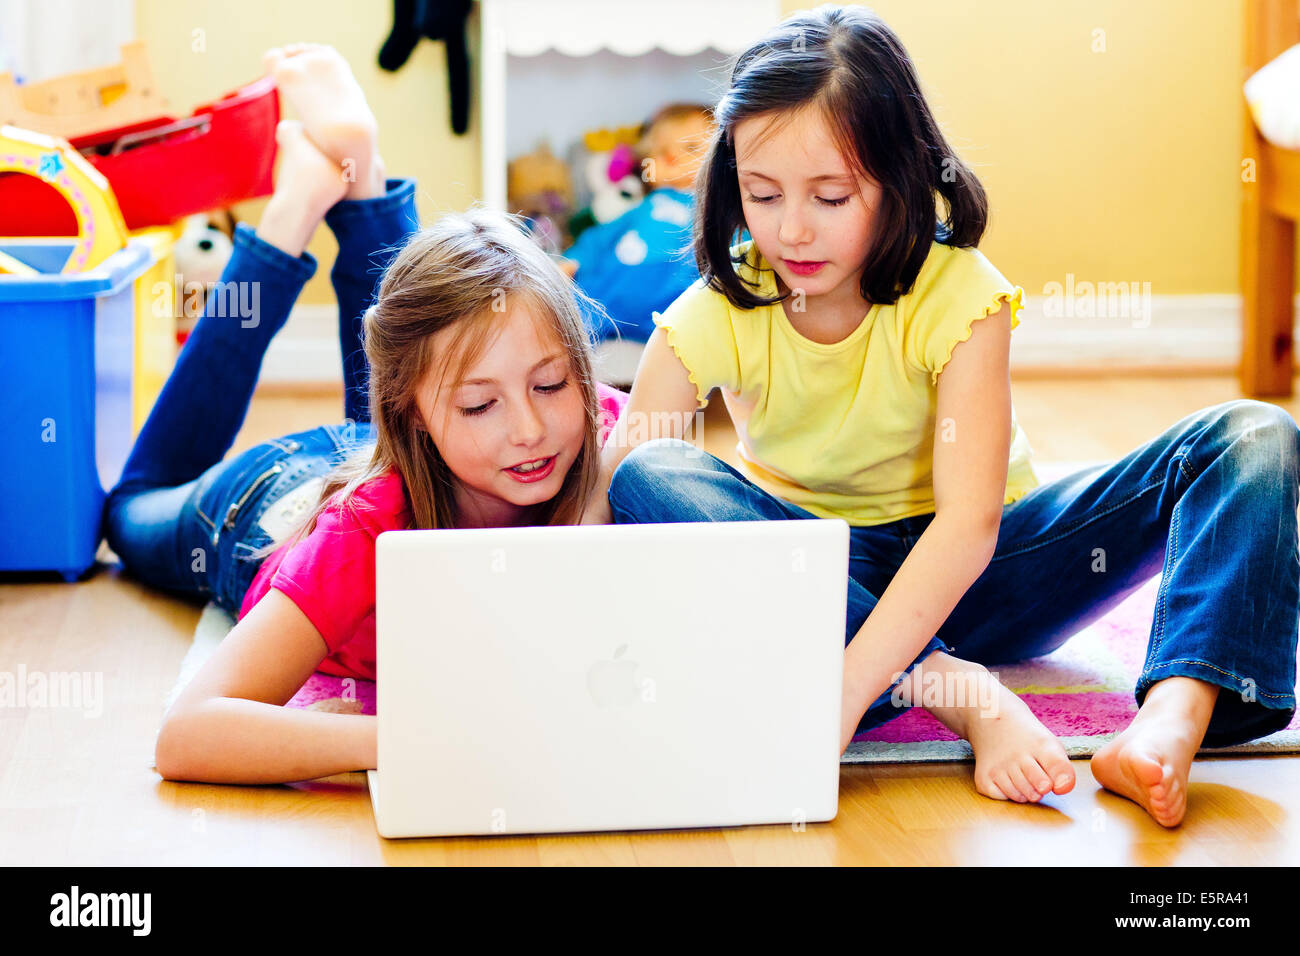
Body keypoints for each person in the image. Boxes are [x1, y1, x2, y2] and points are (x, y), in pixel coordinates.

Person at [587, 6, 1300, 828]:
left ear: (903, 176)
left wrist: (844, 694)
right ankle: (957, 689)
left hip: (981, 573)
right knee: (647, 470)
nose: (791, 228)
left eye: (830, 194)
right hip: (819, 579)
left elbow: (968, 527)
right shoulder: (710, 314)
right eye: (762, 193)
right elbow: (618, 500)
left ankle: (1171, 720)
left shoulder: (963, 293)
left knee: (1255, 437)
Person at [102, 46, 628, 785]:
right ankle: (291, 215)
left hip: (403, 449)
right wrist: (391, 739)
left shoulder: (609, 429)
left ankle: (358, 170)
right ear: (411, 417)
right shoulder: (365, 532)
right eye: (482, 404)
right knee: (128, 506)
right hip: (266, 499)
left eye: (551, 386)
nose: (531, 430)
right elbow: (184, 736)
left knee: (429, 343)